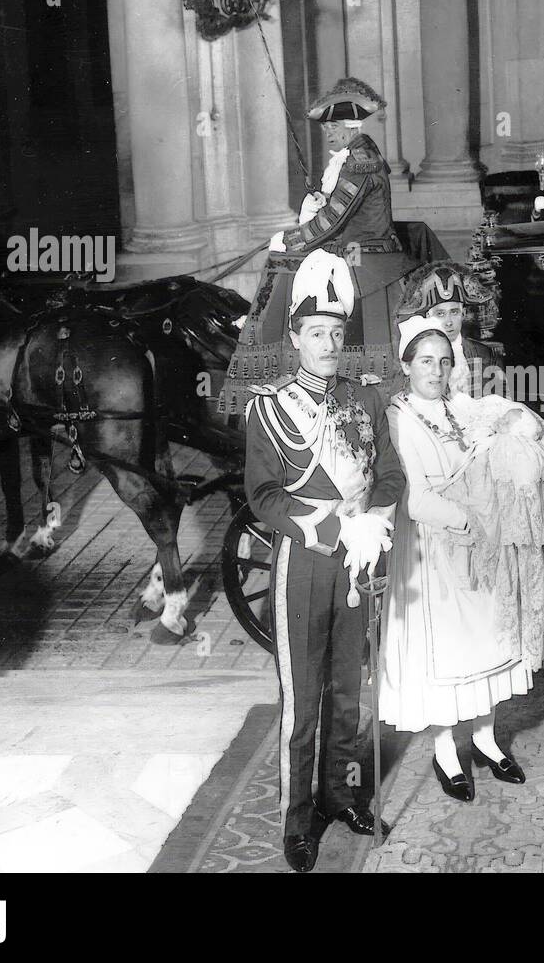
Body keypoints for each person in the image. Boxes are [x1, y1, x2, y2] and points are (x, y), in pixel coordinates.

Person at [243, 249, 405, 873]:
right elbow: (263, 496)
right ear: (295, 338)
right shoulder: (269, 407)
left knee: (347, 691)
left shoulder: (365, 402)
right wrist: (332, 522)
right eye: (317, 333)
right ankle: (297, 819)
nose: (329, 344)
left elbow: (387, 473)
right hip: (306, 563)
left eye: (338, 333)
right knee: (303, 696)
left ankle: (341, 795)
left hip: (358, 559)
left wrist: (375, 518)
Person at [378, 316, 544, 803]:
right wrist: (472, 518)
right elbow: (415, 498)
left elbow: (505, 423)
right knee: (448, 652)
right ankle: (446, 751)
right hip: (433, 548)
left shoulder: (460, 407)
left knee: (488, 641)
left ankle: (485, 740)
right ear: (406, 366)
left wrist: (516, 428)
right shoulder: (398, 418)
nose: (437, 371)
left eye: (445, 361)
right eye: (426, 362)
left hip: (480, 544)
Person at [220, 76, 408, 418]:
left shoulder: (359, 162)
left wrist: (289, 238)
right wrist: (320, 203)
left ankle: (271, 355)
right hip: (357, 248)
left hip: (364, 257)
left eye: (330, 128)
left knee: (288, 260)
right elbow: (338, 211)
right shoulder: (355, 156)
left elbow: (333, 223)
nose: (327, 133)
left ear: (345, 126)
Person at [393, 263, 502, 398]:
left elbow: (500, 405)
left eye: (454, 312)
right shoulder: (416, 357)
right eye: (440, 314)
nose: (449, 321)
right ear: (428, 316)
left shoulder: (485, 355)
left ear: (463, 313)